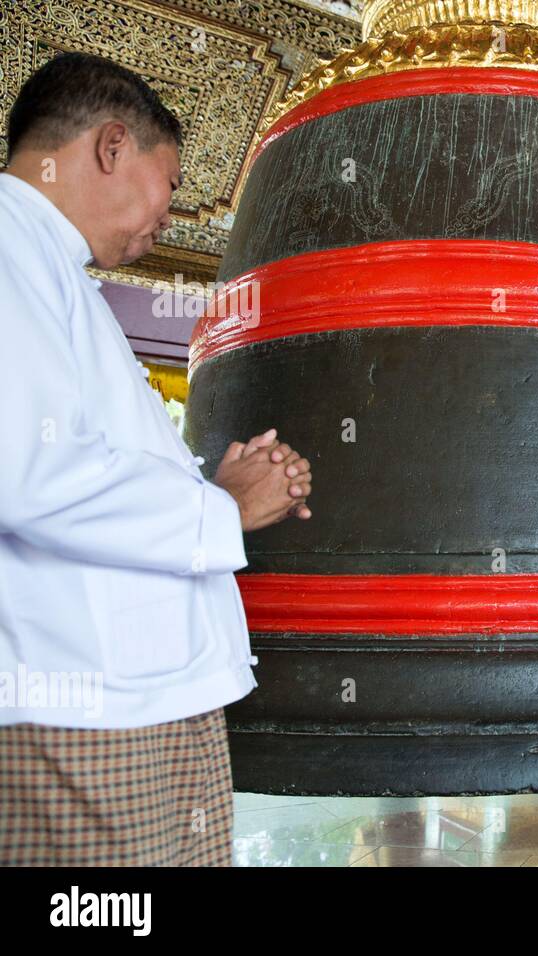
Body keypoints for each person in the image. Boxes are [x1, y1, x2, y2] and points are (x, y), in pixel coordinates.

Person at [0, 52, 313, 866]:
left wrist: (216, 488)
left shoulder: (57, 277)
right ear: (111, 147)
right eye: (170, 183)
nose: (170, 216)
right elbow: (24, 475)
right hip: (84, 715)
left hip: (132, 704)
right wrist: (222, 510)